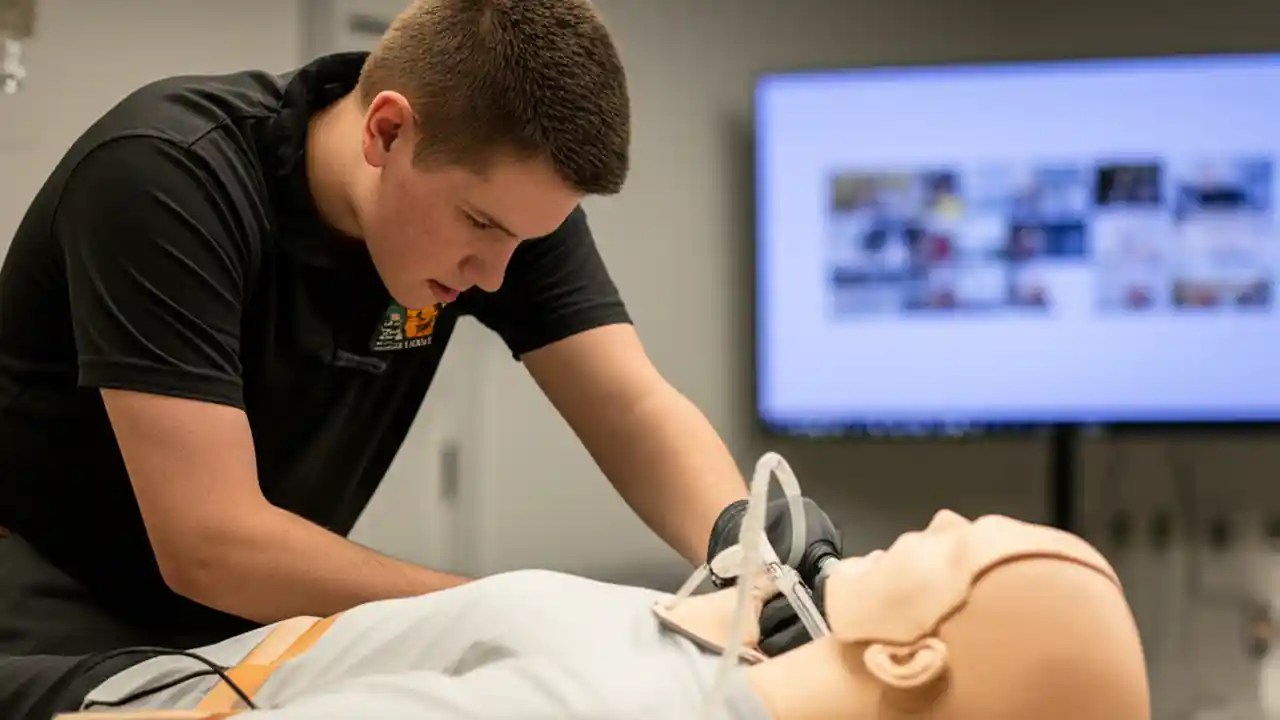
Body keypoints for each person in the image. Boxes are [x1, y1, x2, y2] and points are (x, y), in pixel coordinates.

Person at [0, 0, 843, 660]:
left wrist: (741, 535)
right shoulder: (169, 178)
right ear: (388, 131)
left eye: (525, 239)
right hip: (45, 619)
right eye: (481, 225)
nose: (496, 274)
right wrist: (522, 610)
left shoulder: (503, 215)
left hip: (238, 631)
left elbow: (629, 407)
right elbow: (210, 543)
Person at [2, 509, 1150, 719]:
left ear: (904, 658)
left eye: (962, 553)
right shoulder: (705, 664)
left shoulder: (606, 705)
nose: (945, 514)